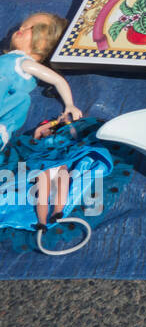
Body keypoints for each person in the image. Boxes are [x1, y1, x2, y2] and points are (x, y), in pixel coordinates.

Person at [0, 12, 85, 228]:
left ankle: (53, 213)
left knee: (21, 102)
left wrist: (69, 105)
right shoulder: (8, 59)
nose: (23, 29)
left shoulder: (22, 63)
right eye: (24, 24)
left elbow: (57, 80)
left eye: (33, 29)